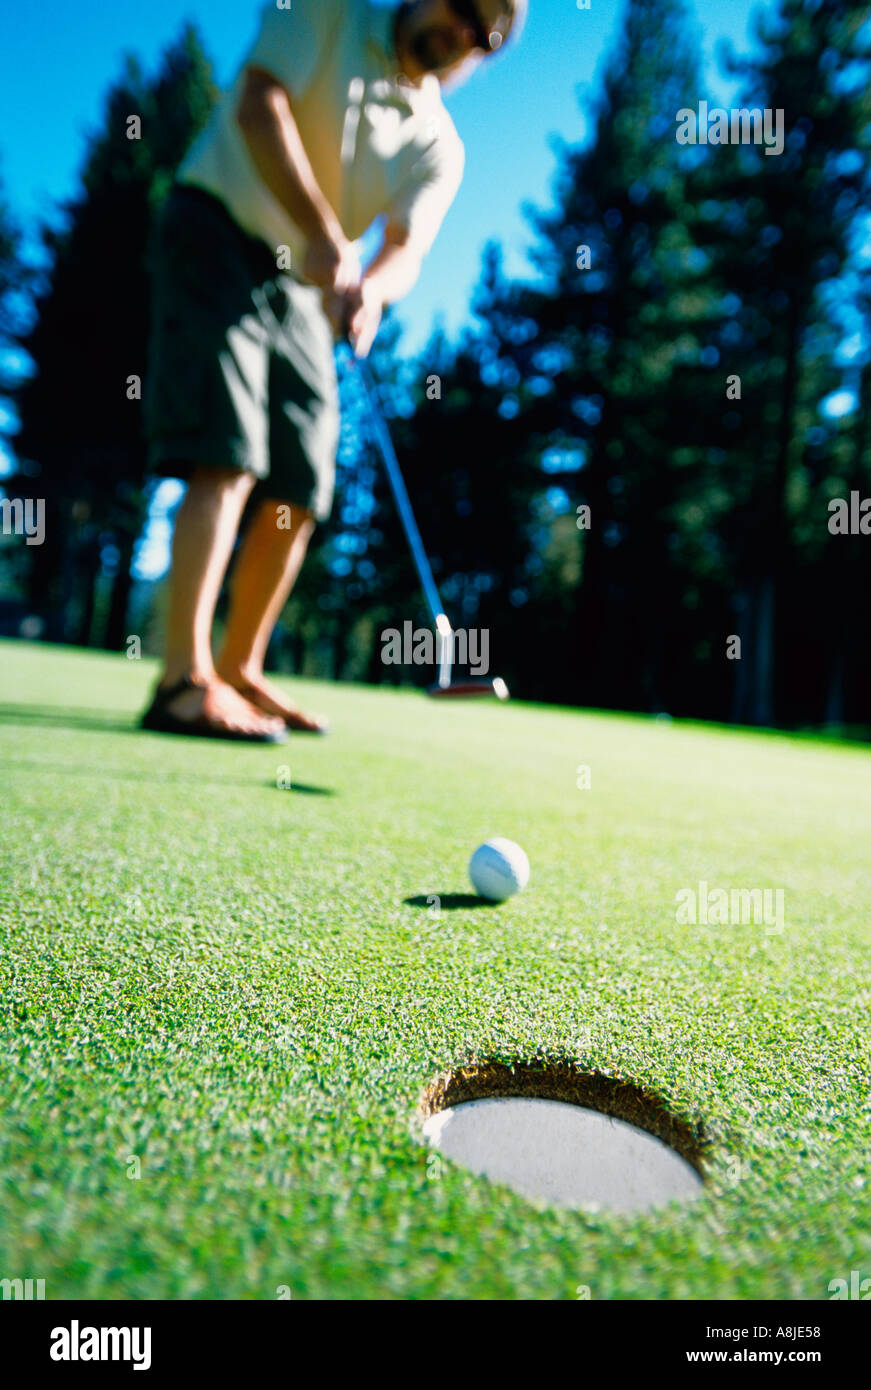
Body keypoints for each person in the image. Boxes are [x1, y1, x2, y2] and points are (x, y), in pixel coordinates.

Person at [142, 0, 526, 742]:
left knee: (303, 475)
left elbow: (405, 247)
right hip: (218, 224)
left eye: (481, 36)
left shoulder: (439, 144)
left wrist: (370, 293)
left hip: (302, 284)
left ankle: (239, 667)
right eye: (461, 7)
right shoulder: (330, 10)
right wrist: (322, 233)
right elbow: (259, 104)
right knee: (226, 451)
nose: (459, 34)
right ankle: (182, 681)